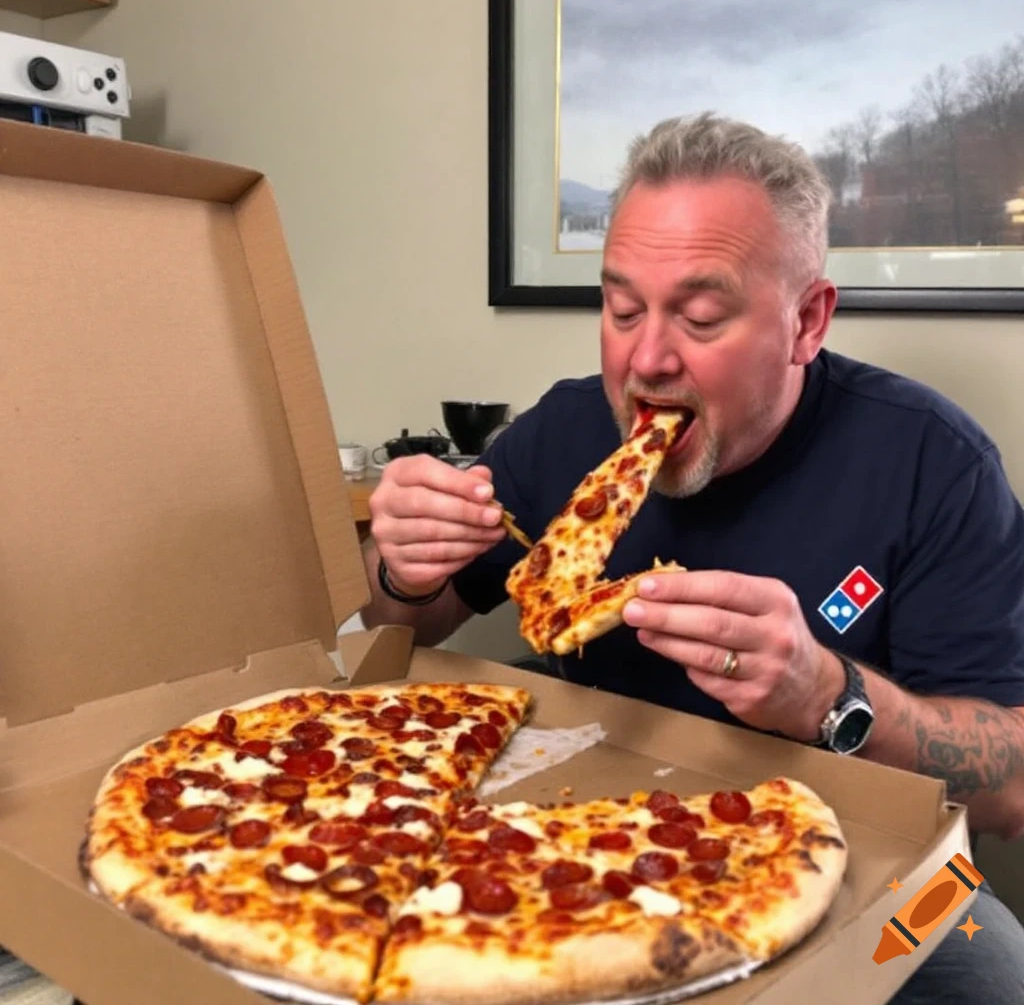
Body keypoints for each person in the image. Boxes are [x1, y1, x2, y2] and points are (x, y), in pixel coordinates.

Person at [361, 112, 1024, 1002]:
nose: (645, 360)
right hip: (577, 839)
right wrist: (407, 567)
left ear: (806, 322)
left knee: (997, 980)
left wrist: (832, 697)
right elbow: (401, 629)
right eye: (621, 308)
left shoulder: (930, 462)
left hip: (872, 857)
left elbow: (1012, 787)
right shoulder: (565, 431)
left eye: (701, 317)